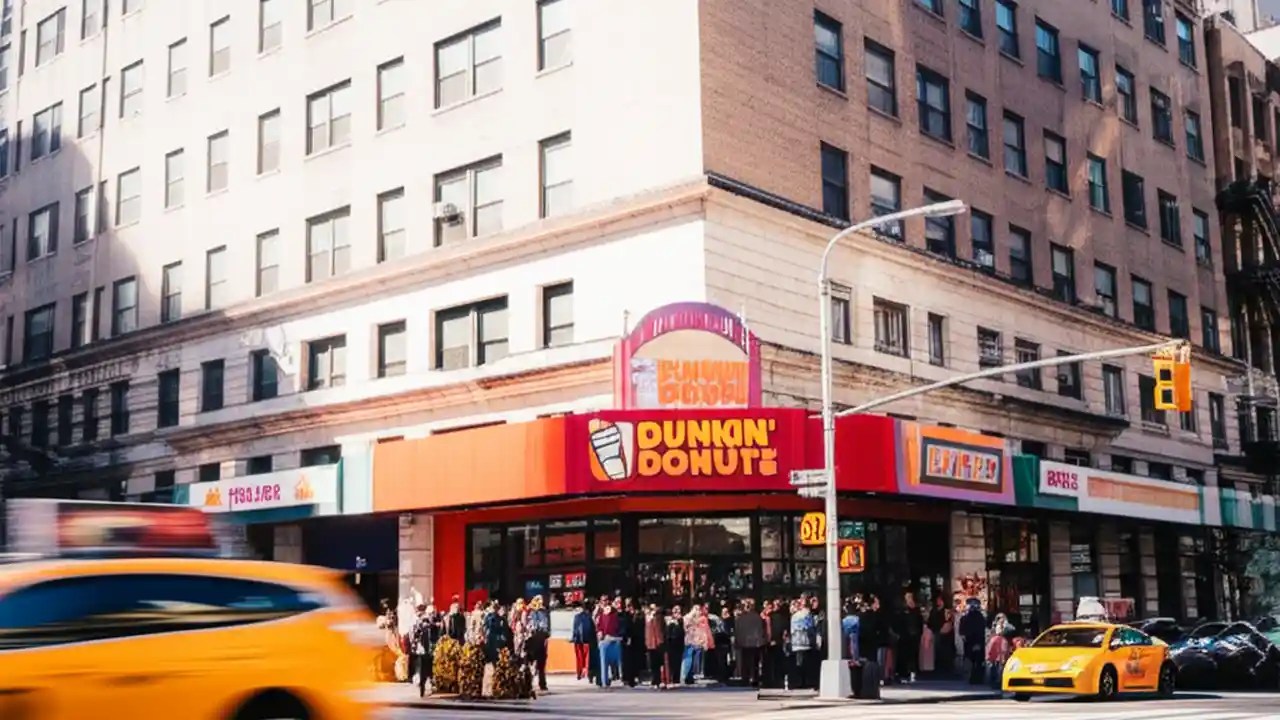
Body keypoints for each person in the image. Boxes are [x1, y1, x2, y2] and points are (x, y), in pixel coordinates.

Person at [411, 601, 443, 697]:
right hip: (423, 651)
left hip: (431, 650)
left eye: (433, 613)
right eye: (430, 613)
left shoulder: (434, 623)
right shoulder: (422, 621)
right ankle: (422, 688)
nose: (431, 615)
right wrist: (415, 642)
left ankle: (429, 686)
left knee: (430, 669)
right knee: (423, 670)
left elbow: (438, 632)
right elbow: (417, 632)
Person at [734, 598, 765, 688]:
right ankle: (753, 678)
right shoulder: (757, 617)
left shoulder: (741, 618)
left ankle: (746, 678)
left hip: (746, 643)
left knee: (746, 662)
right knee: (753, 662)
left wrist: (737, 641)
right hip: (754, 643)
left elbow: (738, 631)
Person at [788, 595, 816, 690]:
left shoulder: (794, 616)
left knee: (798, 663)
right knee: (806, 664)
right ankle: (805, 681)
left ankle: (798, 681)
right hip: (806, 642)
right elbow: (810, 629)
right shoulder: (808, 615)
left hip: (796, 642)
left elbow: (792, 630)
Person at [681, 603, 713, 684]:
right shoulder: (687, 618)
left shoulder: (699, 619)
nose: (699, 611)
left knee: (694, 659)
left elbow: (703, 631)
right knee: (688, 659)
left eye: (699, 610)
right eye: (697, 609)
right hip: (689, 641)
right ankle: (686, 675)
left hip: (697, 641)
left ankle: (690, 676)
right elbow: (685, 628)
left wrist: (704, 641)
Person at [526, 595, 551, 692]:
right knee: (536, 664)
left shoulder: (538, 613)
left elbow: (544, 627)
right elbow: (544, 627)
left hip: (537, 639)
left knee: (538, 664)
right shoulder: (535, 613)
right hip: (536, 639)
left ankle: (538, 683)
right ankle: (538, 684)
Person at [959, 598, 987, 685]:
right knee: (977, 661)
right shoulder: (981, 617)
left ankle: (972, 678)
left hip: (970, 642)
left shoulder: (966, 617)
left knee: (971, 660)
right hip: (976, 642)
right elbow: (982, 630)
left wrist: (965, 639)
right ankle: (977, 678)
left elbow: (962, 632)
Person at [597, 598, 624, 687]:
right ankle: (604, 681)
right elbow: (599, 627)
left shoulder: (615, 617)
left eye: (609, 608)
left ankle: (621, 677)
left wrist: (617, 637)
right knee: (604, 663)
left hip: (614, 641)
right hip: (605, 641)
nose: (607, 609)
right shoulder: (601, 616)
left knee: (619, 662)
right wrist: (600, 633)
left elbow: (620, 628)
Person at [899, 592, 924, 683]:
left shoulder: (916, 610)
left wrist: (920, 633)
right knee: (906, 655)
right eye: (907, 597)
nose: (909, 599)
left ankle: (914, 672)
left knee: (914, 654)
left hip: (915, 635)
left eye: (910, 597)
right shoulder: (903, 610)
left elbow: (920, 622)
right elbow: (901, 623)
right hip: (905, 636)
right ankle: (905, 673)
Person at [764, 599, 788, 688]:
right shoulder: (770, 616)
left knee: (778, 663)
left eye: (779, 604)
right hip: (771, 642)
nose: (777, 606)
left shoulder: (783, 617)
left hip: (779, 642)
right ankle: (770, 681)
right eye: (776, 604)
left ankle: (778, 680)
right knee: (770, 663)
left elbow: (784, 629)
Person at [644, 604, 668, 689]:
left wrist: (661, 641)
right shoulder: (648, 618)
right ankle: (655, 680)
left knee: (660, 663)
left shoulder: (659, 617)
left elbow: (660, 630)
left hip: (658, 643)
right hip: (651, 643)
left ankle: (661, 680)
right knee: (653, 664)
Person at [571, 602, 596, 681]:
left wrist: (574, 637)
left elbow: (575, 629)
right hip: (585, 639)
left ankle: (581, 672)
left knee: (581, 658)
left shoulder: (578, 617)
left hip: (580, 640)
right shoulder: (587, 617)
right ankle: (584, 673)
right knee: (586, 658)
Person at [665, 605, 686, 689]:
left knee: (678, 662)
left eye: (678, 611)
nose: (676, 613)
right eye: (675, 611)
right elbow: (667, 633)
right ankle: (669, 679)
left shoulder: (681, 620)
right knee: (670, 663)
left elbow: (682, 632)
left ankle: (676, 680)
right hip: (670, 644)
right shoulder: (669, 621)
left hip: (679, 644)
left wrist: (679, 622)